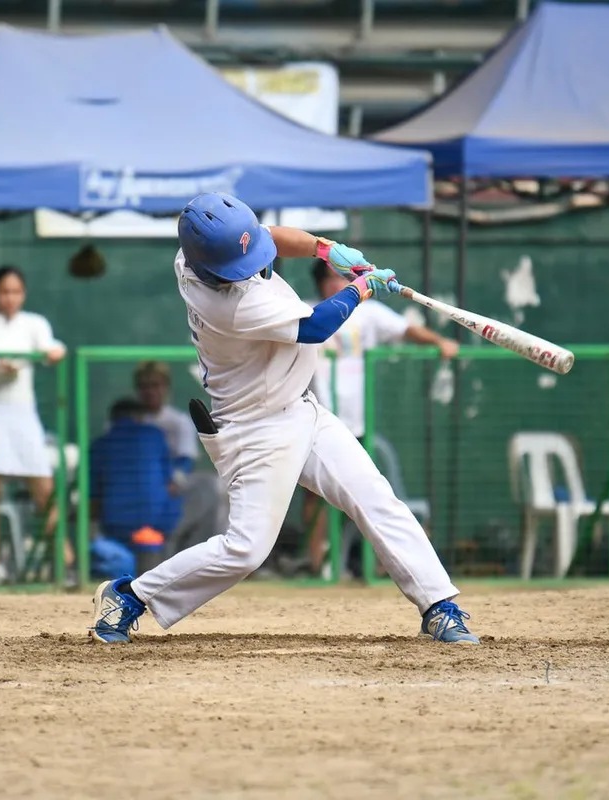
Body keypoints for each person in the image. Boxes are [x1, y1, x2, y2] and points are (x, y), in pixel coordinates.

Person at [88, 192, 479, 646]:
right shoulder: (231, 306)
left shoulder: (195, 251)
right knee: (246, 549)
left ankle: (438, 605)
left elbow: (269, 238)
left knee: (375, 498)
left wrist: (327, 249)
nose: (254, 262)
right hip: (254, 429)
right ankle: (130, 595)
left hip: (302, 409)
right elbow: (315, 326)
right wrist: (361, 290)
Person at [302, 259, 460, 576]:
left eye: (340, 278)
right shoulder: (306, 311)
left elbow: (406, 329)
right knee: (313, 496)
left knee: (360, 492)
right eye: (329, 279)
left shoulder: (368, 313)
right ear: (319, 283)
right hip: (312, 417)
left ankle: (364, 565)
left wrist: (439, 341)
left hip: (356, 422)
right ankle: (315, 565)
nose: (334, 284)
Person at [0, 265, 65, 586]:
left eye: (16, 291)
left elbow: (52, 348)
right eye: (4, 291)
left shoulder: (34, 324)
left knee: (45, 492)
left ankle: (64, 563)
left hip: (24, 415)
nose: (10, 298)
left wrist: (53, 352)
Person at [132, 361, 225, 554]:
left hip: (170, 487)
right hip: (135, 486)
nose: (150, 391)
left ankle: (215, 554)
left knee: (215, 486)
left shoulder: (178, 421)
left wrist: (170, 483)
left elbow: (185, 461)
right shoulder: (128, 421)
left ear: (165, 387)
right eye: (144, 386)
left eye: (156, 385)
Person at [90, 398, 180, 557]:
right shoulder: (155, 435)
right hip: (158, 523)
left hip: (116, 526)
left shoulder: (100, 444)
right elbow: (170, 483)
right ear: (138, 416)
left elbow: (94, 495)